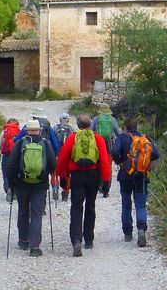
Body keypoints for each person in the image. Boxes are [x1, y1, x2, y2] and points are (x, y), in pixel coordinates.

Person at [55, 114, 111, 257]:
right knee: (90, 207)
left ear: (78, 124)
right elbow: (104, 160)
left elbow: (62, 158)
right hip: (93, 176)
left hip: (77, 176)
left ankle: (76, 240)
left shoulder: (72, 138)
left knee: (76, 207)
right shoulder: (97, 138)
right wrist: (106, 179)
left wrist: (61, 176)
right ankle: (89, 239)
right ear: (90, 124)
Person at [4, 119, 57, 257]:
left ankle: (23, 240)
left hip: (22, 183)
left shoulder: (20, 143)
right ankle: (35, 246)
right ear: (39, 130)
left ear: (27, 131)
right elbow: (52, 164)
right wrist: (47, 175)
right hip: (40, 183)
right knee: (37, 213)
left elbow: (11, 165)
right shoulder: (45, 143)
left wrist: (11, 183)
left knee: (23, 210)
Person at [111, 117, 160, 247]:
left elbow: (114, 151)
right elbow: (156, 154)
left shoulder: (122, 137)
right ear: (137, 127)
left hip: (125, 175)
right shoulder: (145, 138)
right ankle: (141, 230)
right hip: (141, 176)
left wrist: (120, 162)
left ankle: (127, 233)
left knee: (126, 204)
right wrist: (144, 163)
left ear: (125, 127)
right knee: (140, 204)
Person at [93, 104, 120, 196]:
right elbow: (118, 133)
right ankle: (106, 188)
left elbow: (90, 131)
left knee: (98, 165)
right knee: (107, 165)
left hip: (97, 146)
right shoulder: (112, 120)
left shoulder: (96, 119)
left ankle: (99, 186)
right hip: (109, 145)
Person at [0, 118, 21, 202]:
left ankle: (8, 189)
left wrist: (0, 153)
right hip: (17, 156)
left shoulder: (4, 131)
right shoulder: (19, 131)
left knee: (6, 174)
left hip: (7, 155)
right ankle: (15, 192)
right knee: (16, 173)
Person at [52, 113, 75, 201]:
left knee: (55, 173)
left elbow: (53, 142)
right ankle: (66, 191)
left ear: (60, 119)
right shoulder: (71, 129)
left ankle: (55, 188)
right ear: (68, 120)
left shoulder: (55, 128)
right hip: (68, 155)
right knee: (68, 174)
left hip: (57, 154)